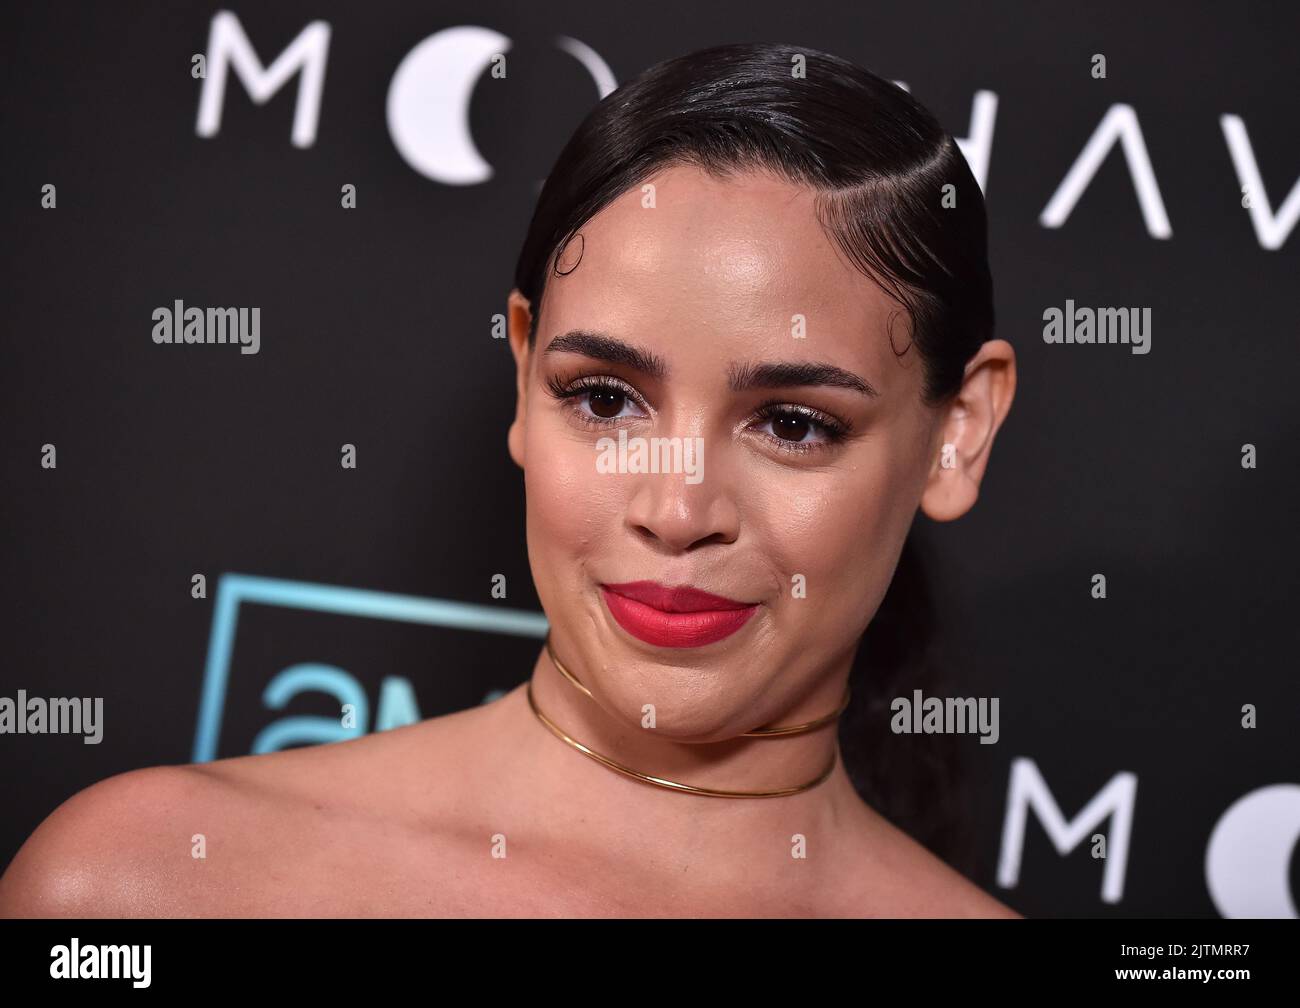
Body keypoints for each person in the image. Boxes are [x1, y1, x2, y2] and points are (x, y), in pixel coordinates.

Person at [0, 42, 1017, 918]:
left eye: (793, 423)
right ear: (525, 370)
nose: (675, 511)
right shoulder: (150, 886)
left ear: (956, 433)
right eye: (607, 399)